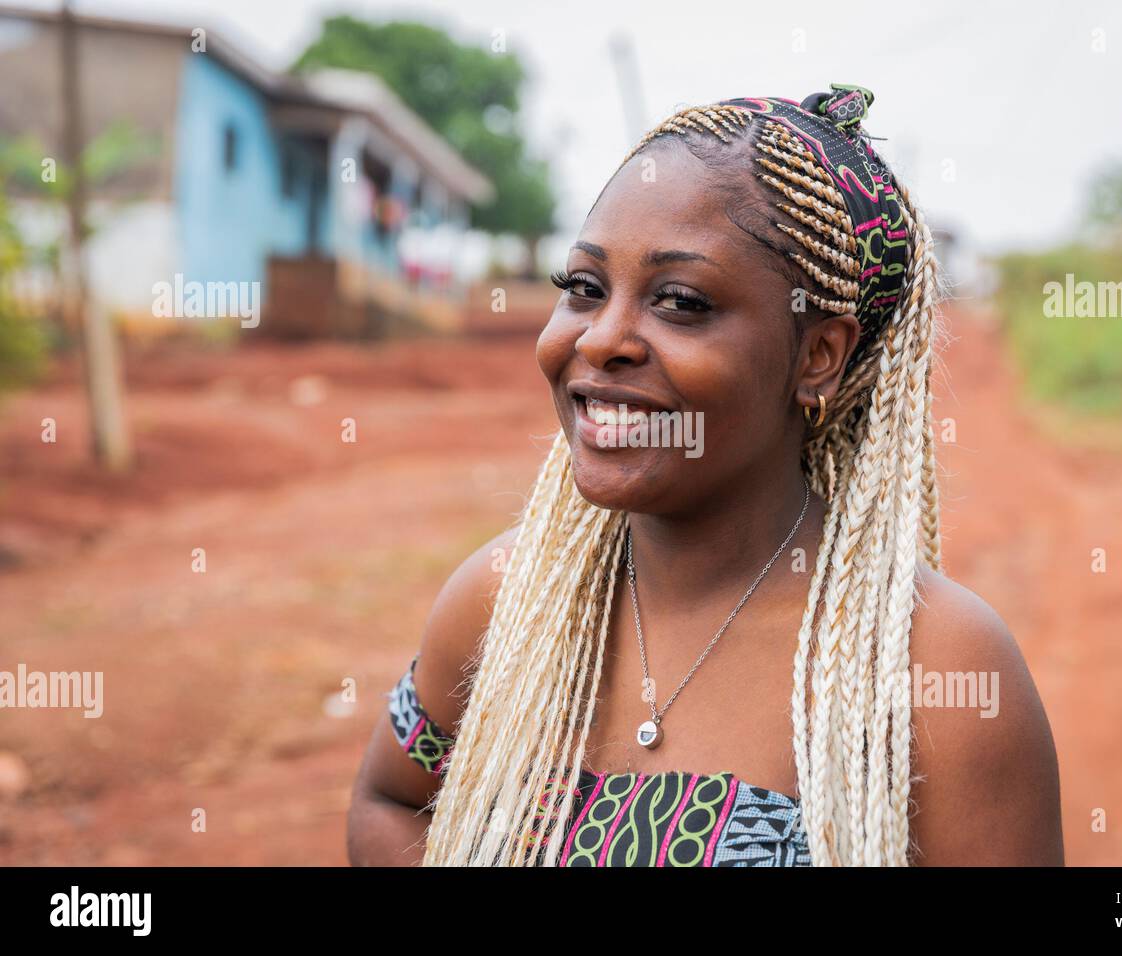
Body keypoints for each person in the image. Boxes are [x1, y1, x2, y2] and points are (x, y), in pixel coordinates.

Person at [347, 85, 1064, 867]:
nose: (603, 339)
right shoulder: (504, 599)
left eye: (681, 302)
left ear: (818, 355)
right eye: (584, 288)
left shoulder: (934, 667)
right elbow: (391, 801)